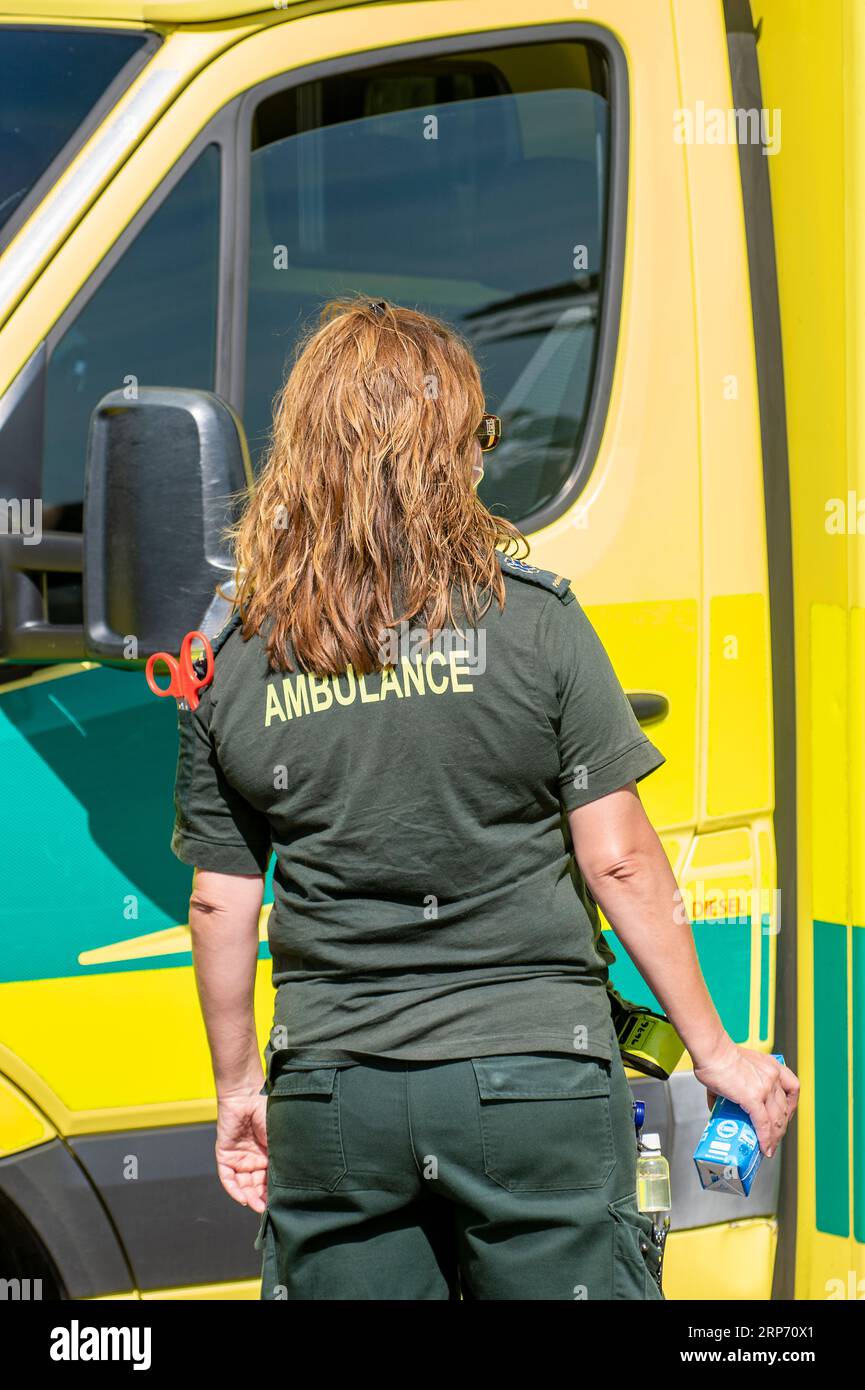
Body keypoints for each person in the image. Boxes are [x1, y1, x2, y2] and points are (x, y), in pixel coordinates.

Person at [170, 296, 800, 1301]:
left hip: (334, 1094)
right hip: (535, 1081)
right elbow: (620, 859)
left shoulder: (236, 659)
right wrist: (712, 1051)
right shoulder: (537, 625)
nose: (479, 460)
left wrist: (240, 1088)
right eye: (472, 438)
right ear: (440, 455)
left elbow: (221, 903)